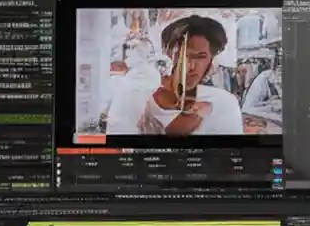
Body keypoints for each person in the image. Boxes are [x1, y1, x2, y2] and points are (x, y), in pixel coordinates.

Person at [103, 14, 244, 136]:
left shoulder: (223, 103)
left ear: (211, 60)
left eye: (200, 57)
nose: (191, 66)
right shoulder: (135, 96)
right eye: (182, 56)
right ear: (167, 55)